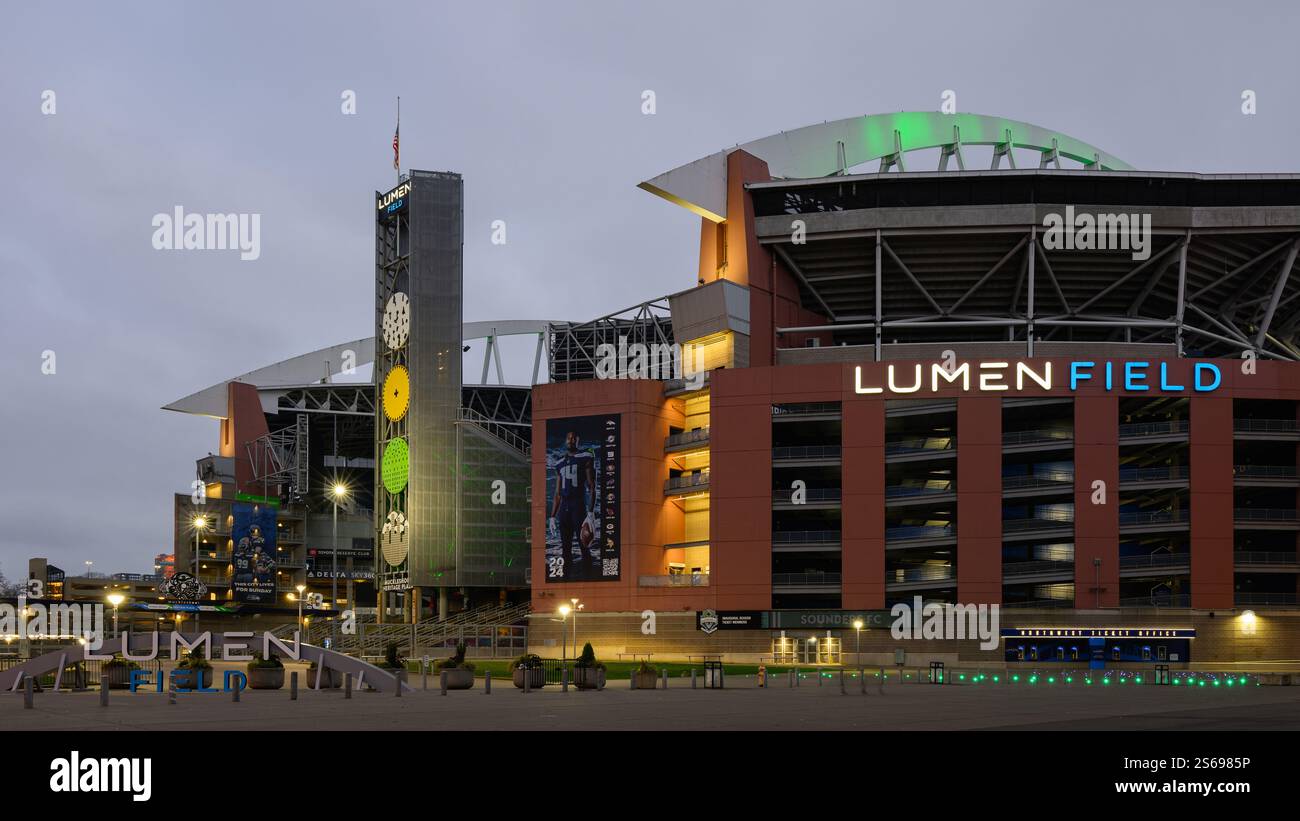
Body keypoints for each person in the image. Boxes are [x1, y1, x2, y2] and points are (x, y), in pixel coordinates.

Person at [548, 430, 598, 579]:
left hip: (578, 506)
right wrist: (552, 516)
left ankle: (588, 578)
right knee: (565, 549)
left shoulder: (585, 457)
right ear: (565, 441)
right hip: (564, 508)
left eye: (573, 438)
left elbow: (591, 486)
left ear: (578, 441)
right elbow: (557, 493)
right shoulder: (559, 463)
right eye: (568, 438)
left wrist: (590, 511)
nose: (570, 440)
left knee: (584, 545)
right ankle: (566, 580)